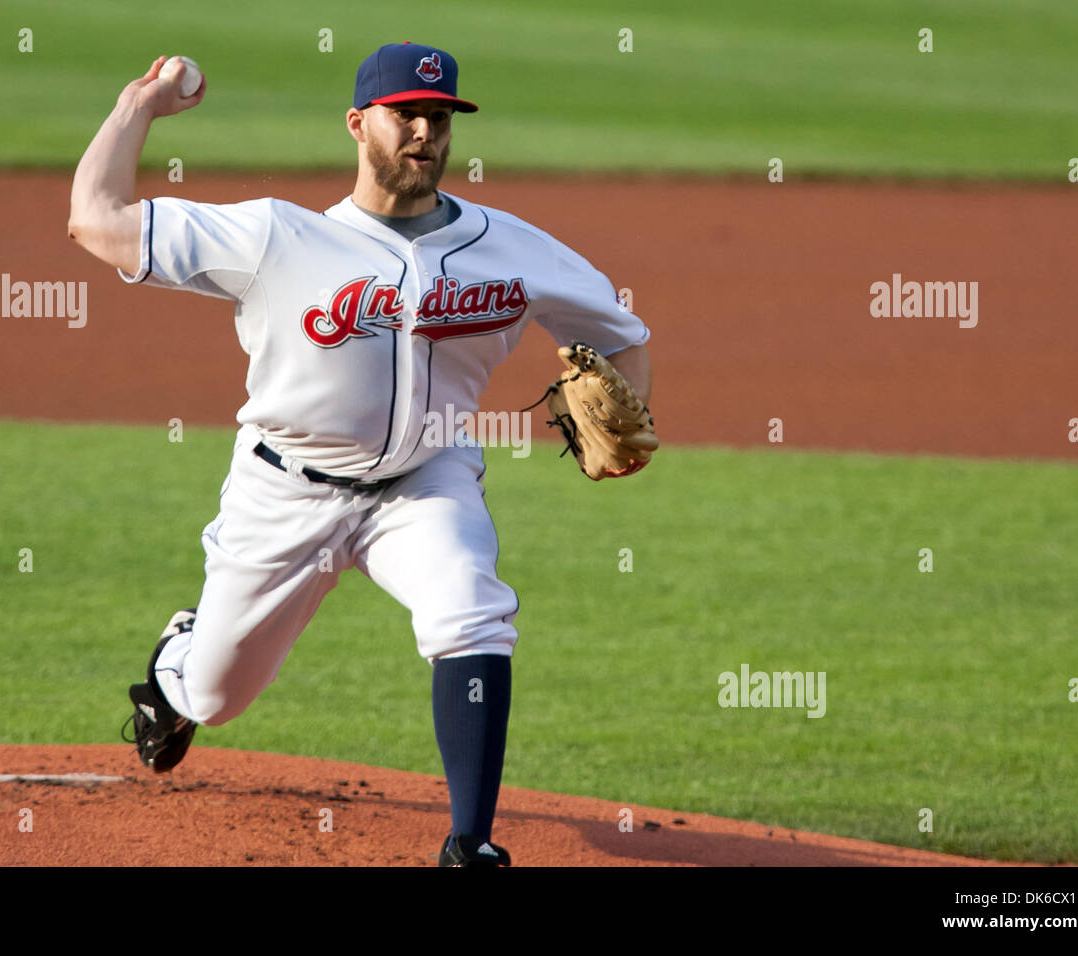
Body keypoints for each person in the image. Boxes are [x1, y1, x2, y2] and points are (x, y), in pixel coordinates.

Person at [67, 41, 653, 867]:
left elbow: (621, 334)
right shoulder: (277, 236)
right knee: (218, 693)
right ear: (358, 124)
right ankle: (176, 667)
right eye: (406, 114)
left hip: (426, 483)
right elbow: (96, 220)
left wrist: (632, 423)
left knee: (471, 608)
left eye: (439, 117)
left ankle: (471, 843)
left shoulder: (512, 247)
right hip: (285, 493)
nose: (424, 131)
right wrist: (139, 108)